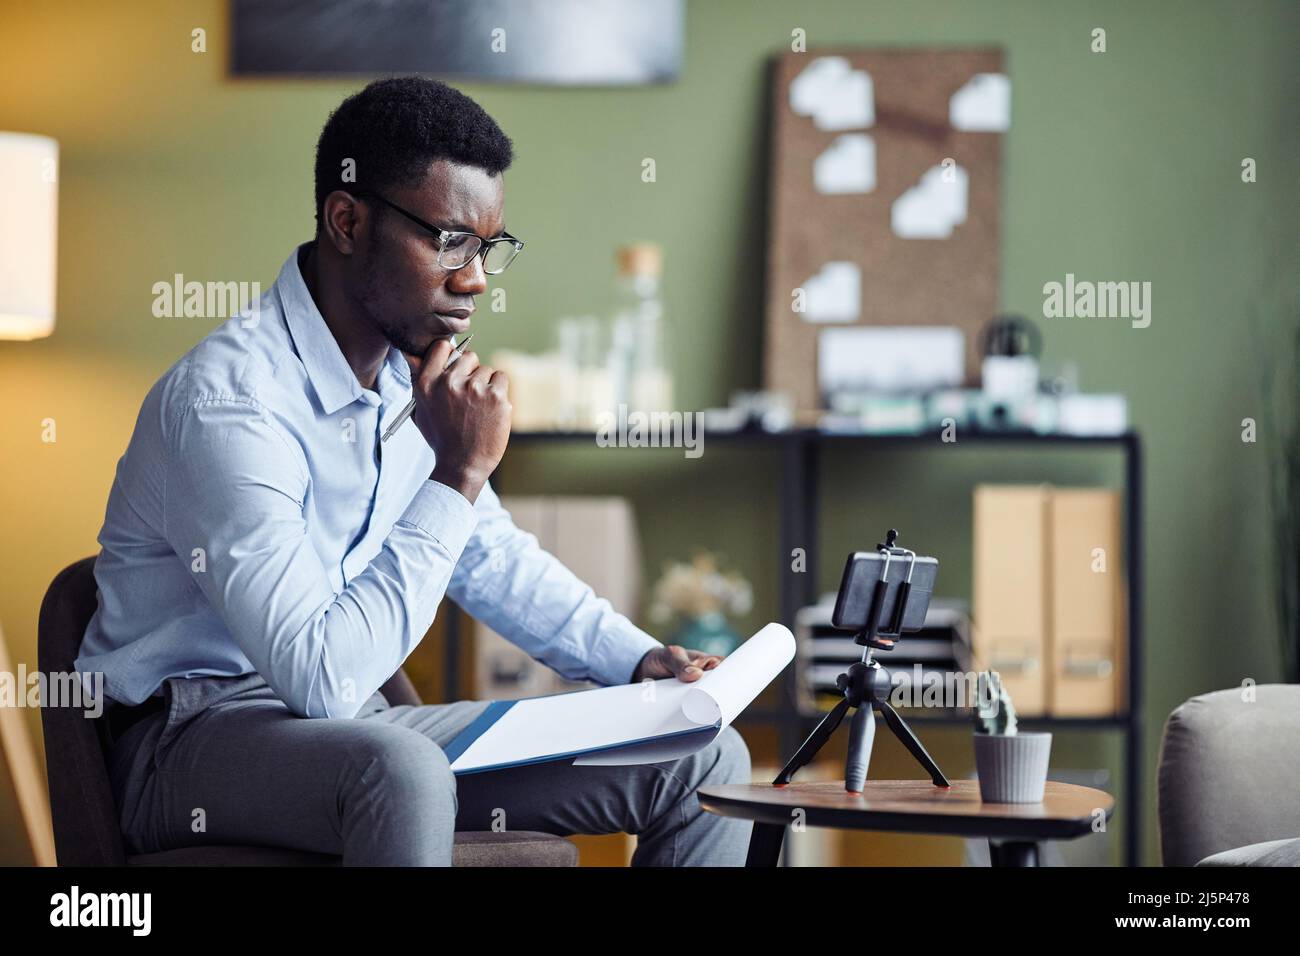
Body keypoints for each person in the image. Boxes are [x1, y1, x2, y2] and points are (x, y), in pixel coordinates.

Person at [76, 76, 752, 866]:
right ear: (347, 219)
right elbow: (320, 679)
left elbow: (489, 556)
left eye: (489, 247)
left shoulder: (409, 380)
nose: (476, 279)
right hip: (193, 741)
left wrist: (638, 661)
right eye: (450, 241)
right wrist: (457, 475)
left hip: (357, 733)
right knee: (403, 770)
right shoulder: (229, 405)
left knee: (704, 755)